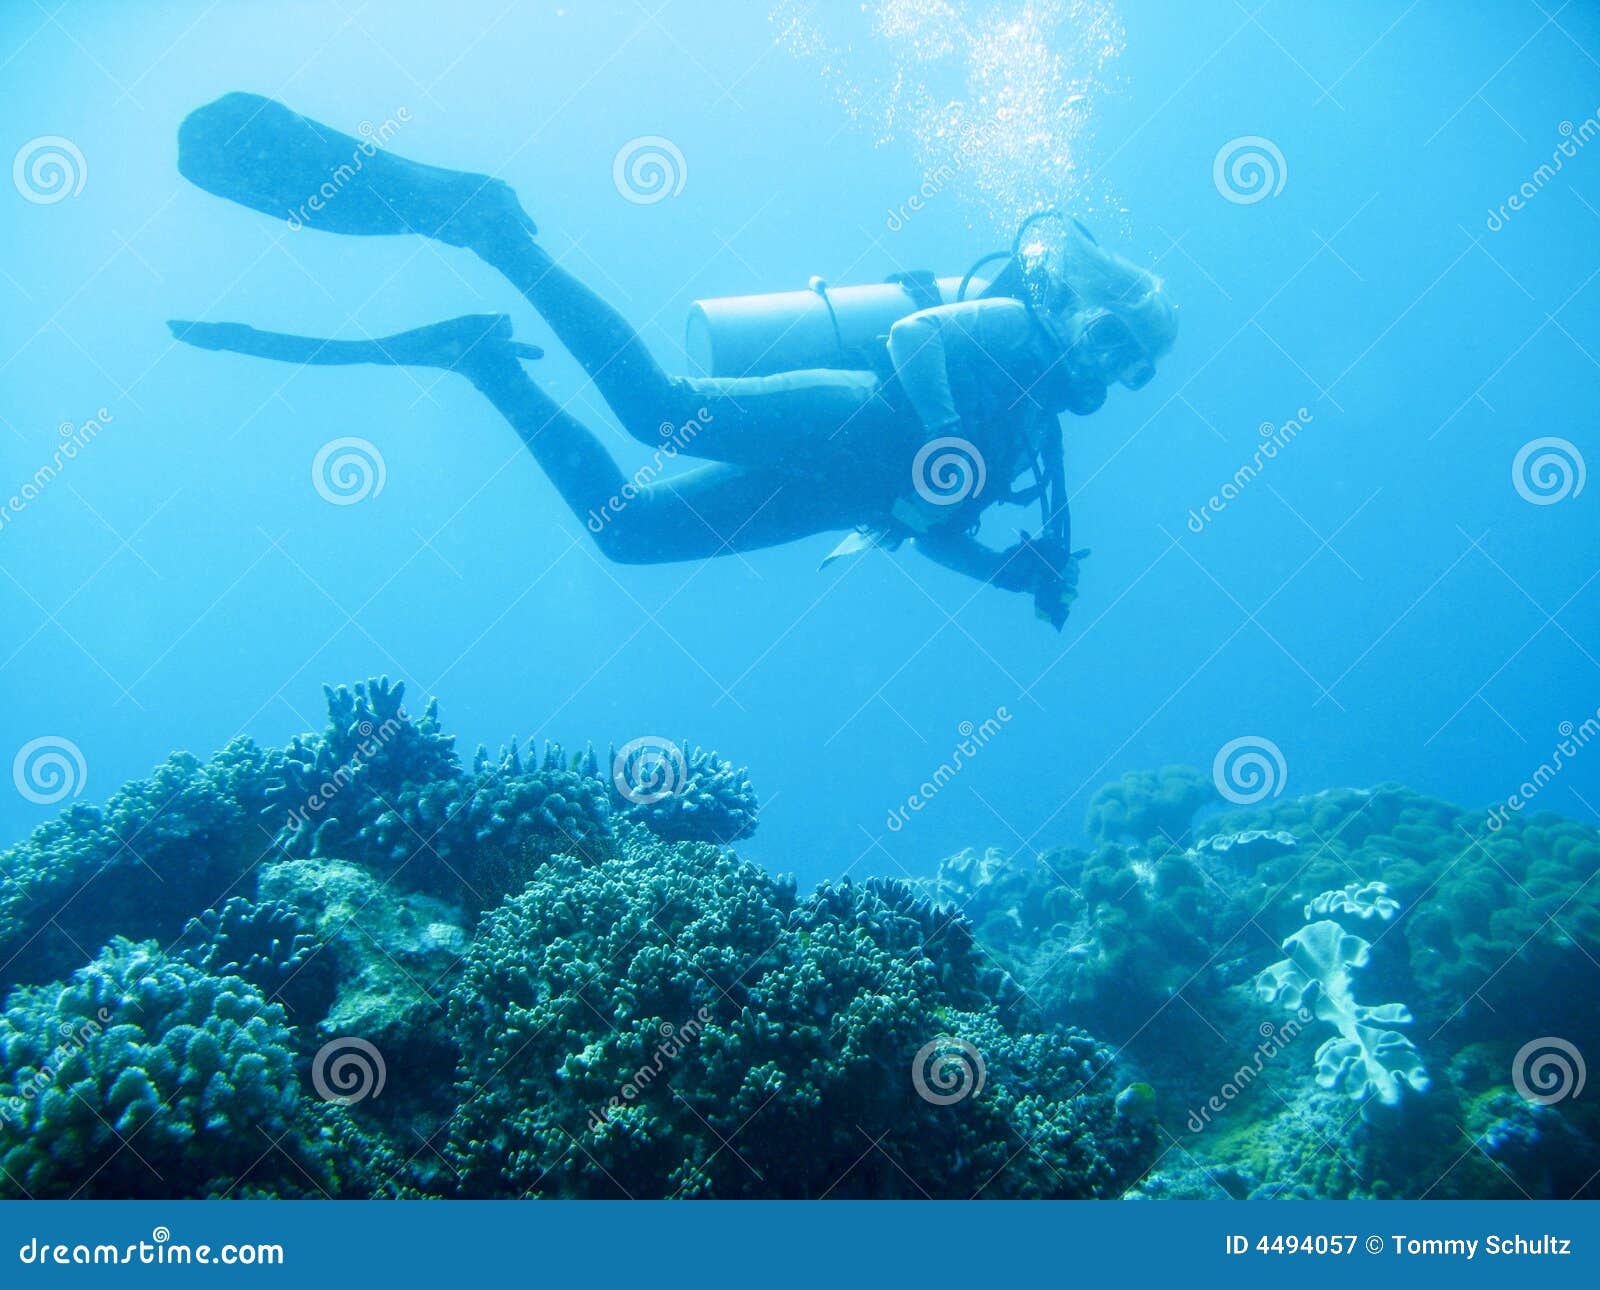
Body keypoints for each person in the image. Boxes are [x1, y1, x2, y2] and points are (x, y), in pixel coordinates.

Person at [170, 93, 1177, 628]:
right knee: (656, 408)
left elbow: (925, 522)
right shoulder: (1014, 329)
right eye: (1122, 342)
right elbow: (915, 338)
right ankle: (498, 234)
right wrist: (950, 429)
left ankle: (483, 361)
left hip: (841, 498)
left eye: (1133, 365)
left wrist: (1006, 576)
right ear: (1095, 305)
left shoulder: (1039, 438)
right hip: (854, 416)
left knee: (633, 536)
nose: (1116, 367)